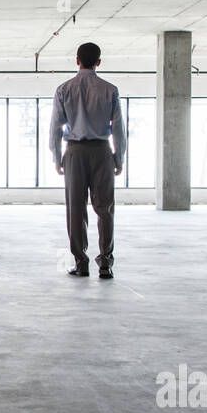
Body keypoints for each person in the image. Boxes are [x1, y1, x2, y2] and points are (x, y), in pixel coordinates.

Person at [49, 42, 126, 279]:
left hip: (74, 152)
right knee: (105, 209)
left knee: (75, 208)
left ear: (77, 60)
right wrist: (118, 156)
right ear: (99, 62)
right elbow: (118, 129)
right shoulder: (110, 90)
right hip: (102, 151)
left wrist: (57, 156)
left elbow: (55, 126)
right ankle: (105, 264)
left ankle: (81, 263)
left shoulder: (64, 89)